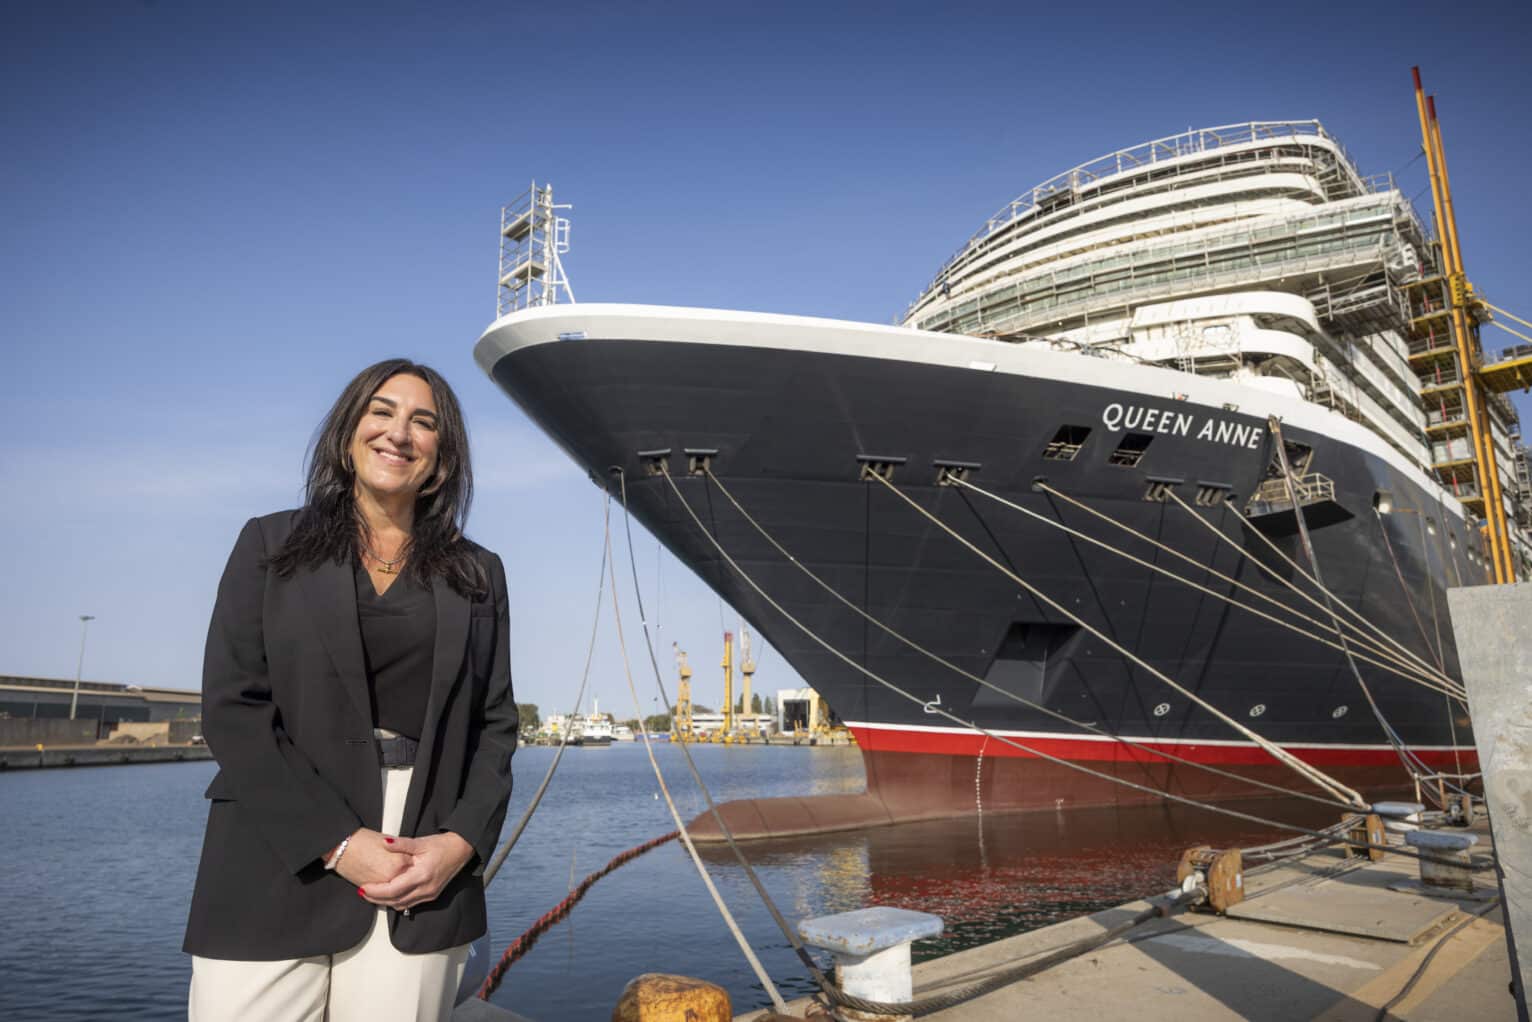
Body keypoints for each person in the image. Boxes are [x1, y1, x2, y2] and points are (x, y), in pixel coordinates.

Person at [184, 359, 518, 1021]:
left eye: (424, 423)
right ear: (347, 436)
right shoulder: (269, 545)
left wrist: (459, 845)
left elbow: (495, 726)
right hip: (275, 846)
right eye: (382, 412)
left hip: (421, 866)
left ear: (442, 461)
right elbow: (233, 709)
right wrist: (337, 842)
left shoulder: (480, 573)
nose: (400, 433)